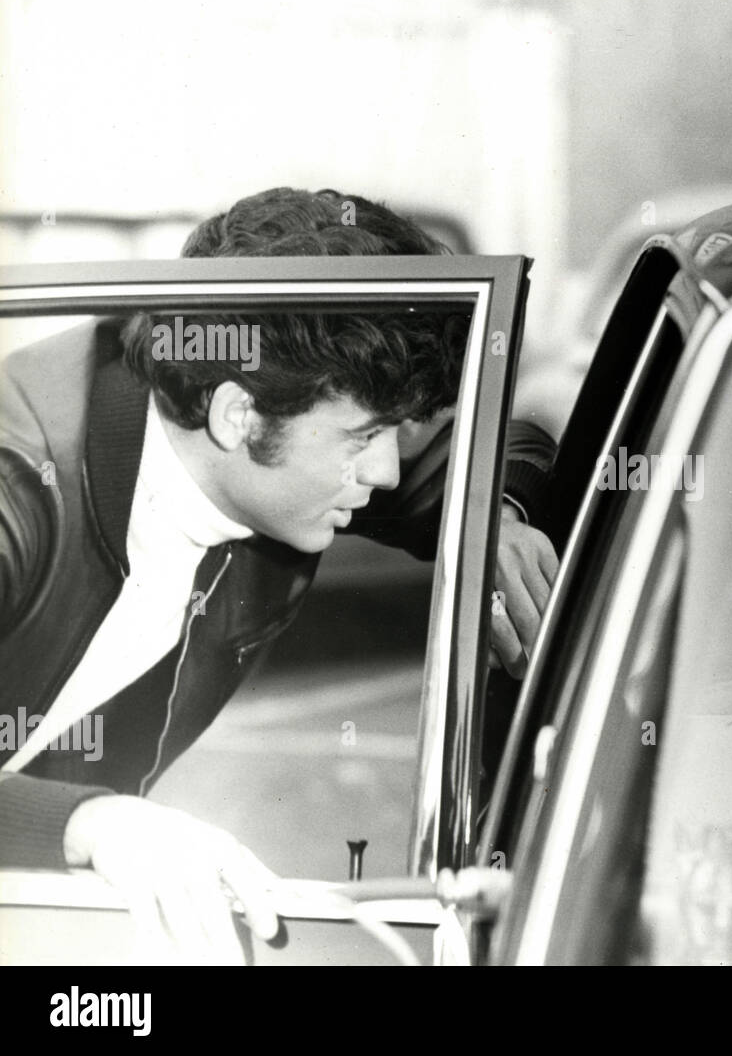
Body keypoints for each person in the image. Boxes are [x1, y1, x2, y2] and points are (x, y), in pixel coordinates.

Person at [0, 188, 558, 960]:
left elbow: (501, 445)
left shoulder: (265, 415)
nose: (389, 472)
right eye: (365, 435)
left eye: (391, 430)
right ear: (237, 417)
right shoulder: (16, 490)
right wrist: (89, 823)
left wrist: (495, 516)